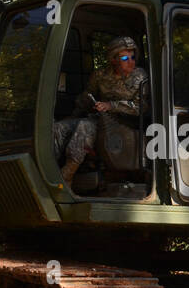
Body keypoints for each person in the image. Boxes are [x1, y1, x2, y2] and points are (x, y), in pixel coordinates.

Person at [53, 36, 150, 190]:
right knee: (57, 129)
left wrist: (111, 105)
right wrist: (75, 114)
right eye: (125, 57)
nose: (131, 61)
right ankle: (50, 170)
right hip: (101, 120)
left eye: (132, 56)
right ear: (113, 59)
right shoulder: (100, 76)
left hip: (126, 124)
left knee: (85, 127)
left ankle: (67, 174)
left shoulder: (140, 76)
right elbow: (86, 97)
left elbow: (141, 107)